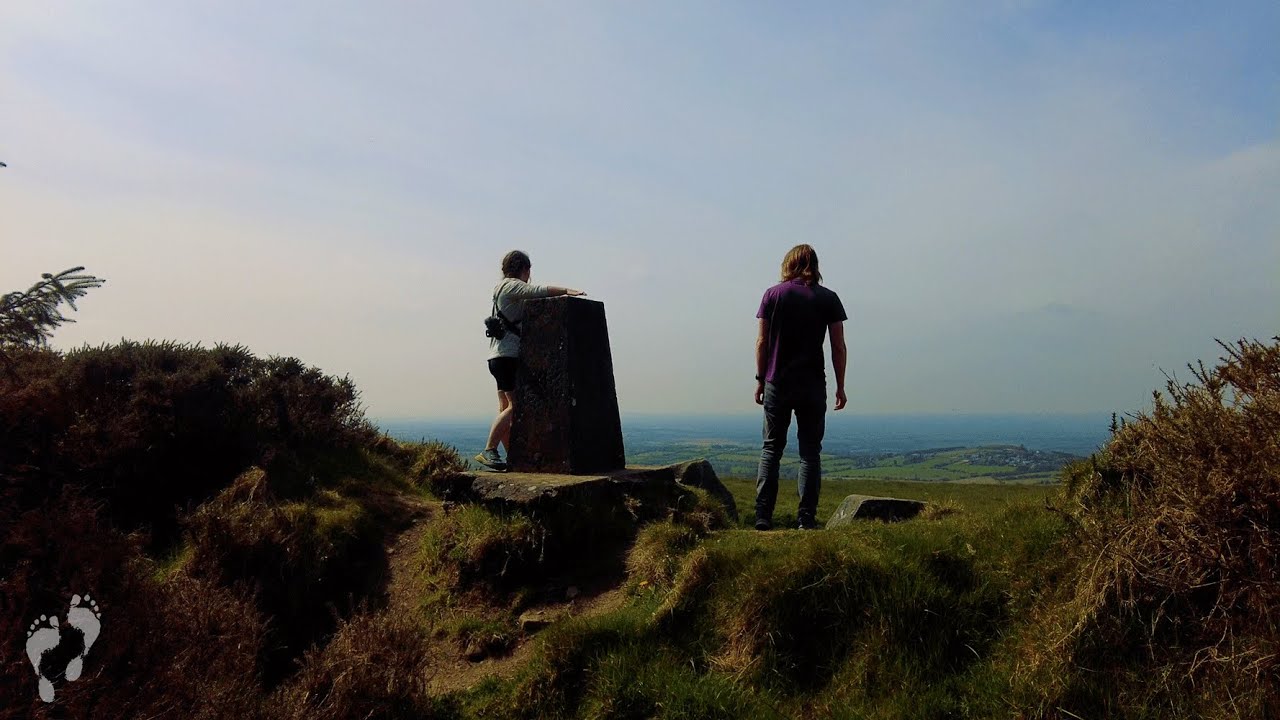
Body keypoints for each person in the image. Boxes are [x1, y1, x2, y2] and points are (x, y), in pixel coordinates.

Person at [753, 244, 847, 530]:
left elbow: (762, 342)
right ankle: (806, 518)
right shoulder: (829, 298)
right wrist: (840, 386)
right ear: (814, 266)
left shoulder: (773, 295)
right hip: (812, 384)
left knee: (771, 449)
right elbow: (838, 346)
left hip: (777, 381)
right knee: (810, 453)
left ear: (788, 264)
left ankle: (763, 516)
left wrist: (760, 379)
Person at [476, 250, 585, 471]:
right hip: (508, 356)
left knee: (505, 408)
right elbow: (537, 291)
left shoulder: (499, 288)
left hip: (496, 356)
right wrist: (566, 291)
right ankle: (489, 449)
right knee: (516, 407)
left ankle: (512, 457)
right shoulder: (512, 286)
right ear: (524, 269)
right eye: (528, 270)